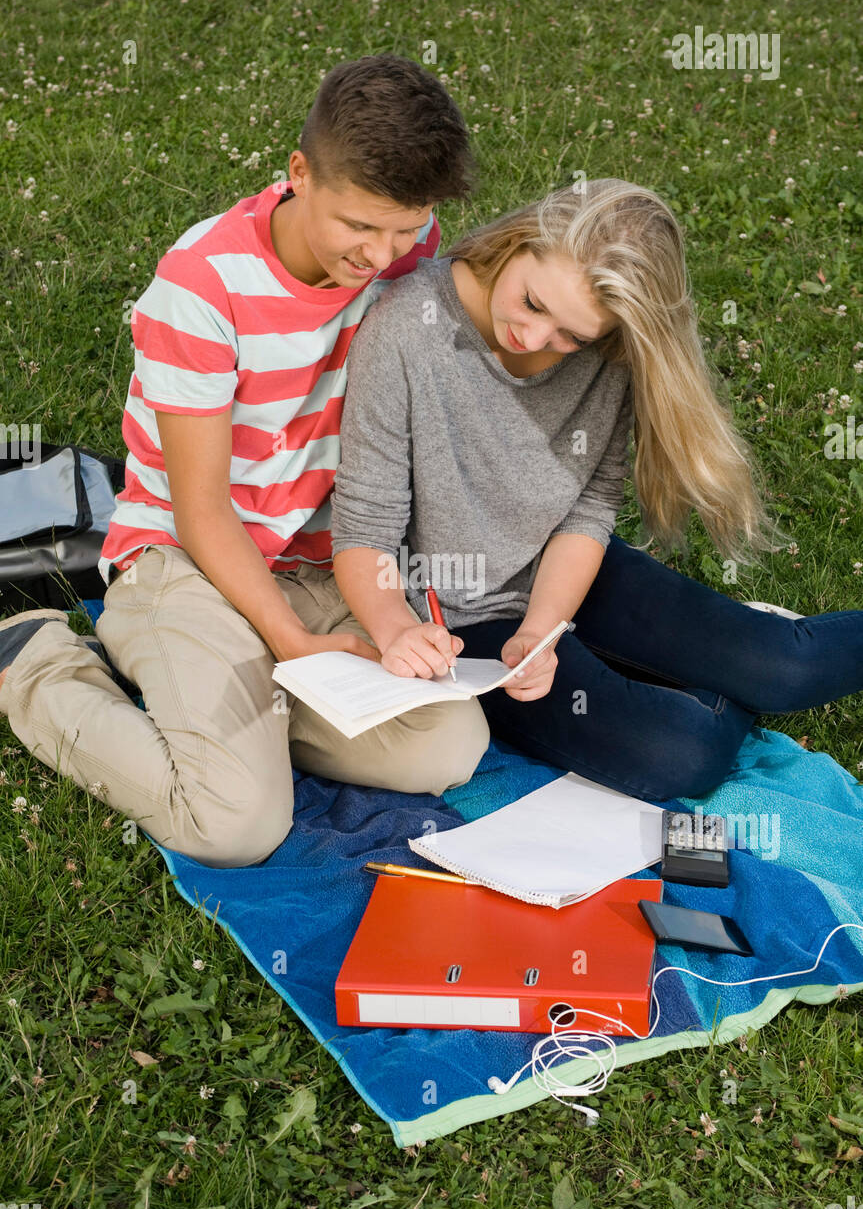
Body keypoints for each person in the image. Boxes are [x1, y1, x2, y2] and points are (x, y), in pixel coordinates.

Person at [0, 55, 490, 866]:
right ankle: (40, 664)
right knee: (236, 826)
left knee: (443, 749)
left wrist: (376, 614)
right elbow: (200, 510)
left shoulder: (408, 244)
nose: (382, 254)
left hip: (317, 559)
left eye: (406, 229)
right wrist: (291, 641)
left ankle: (240, 703)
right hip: (185, 559)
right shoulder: (199, 289)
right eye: (359, 227)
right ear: (299, 174)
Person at [330, 178, 863, 803]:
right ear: (521, 242)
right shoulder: (405, 328)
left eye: (572, 338)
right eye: (531, 302)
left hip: (574, 571)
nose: (532, 338)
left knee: (790, 668)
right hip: (463, 620)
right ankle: (712, 675)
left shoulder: (612, 350)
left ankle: (726, 665)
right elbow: (365, 528)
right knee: (680, 754)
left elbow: (587, 506)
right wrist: (394, 629)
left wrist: (545, 628)